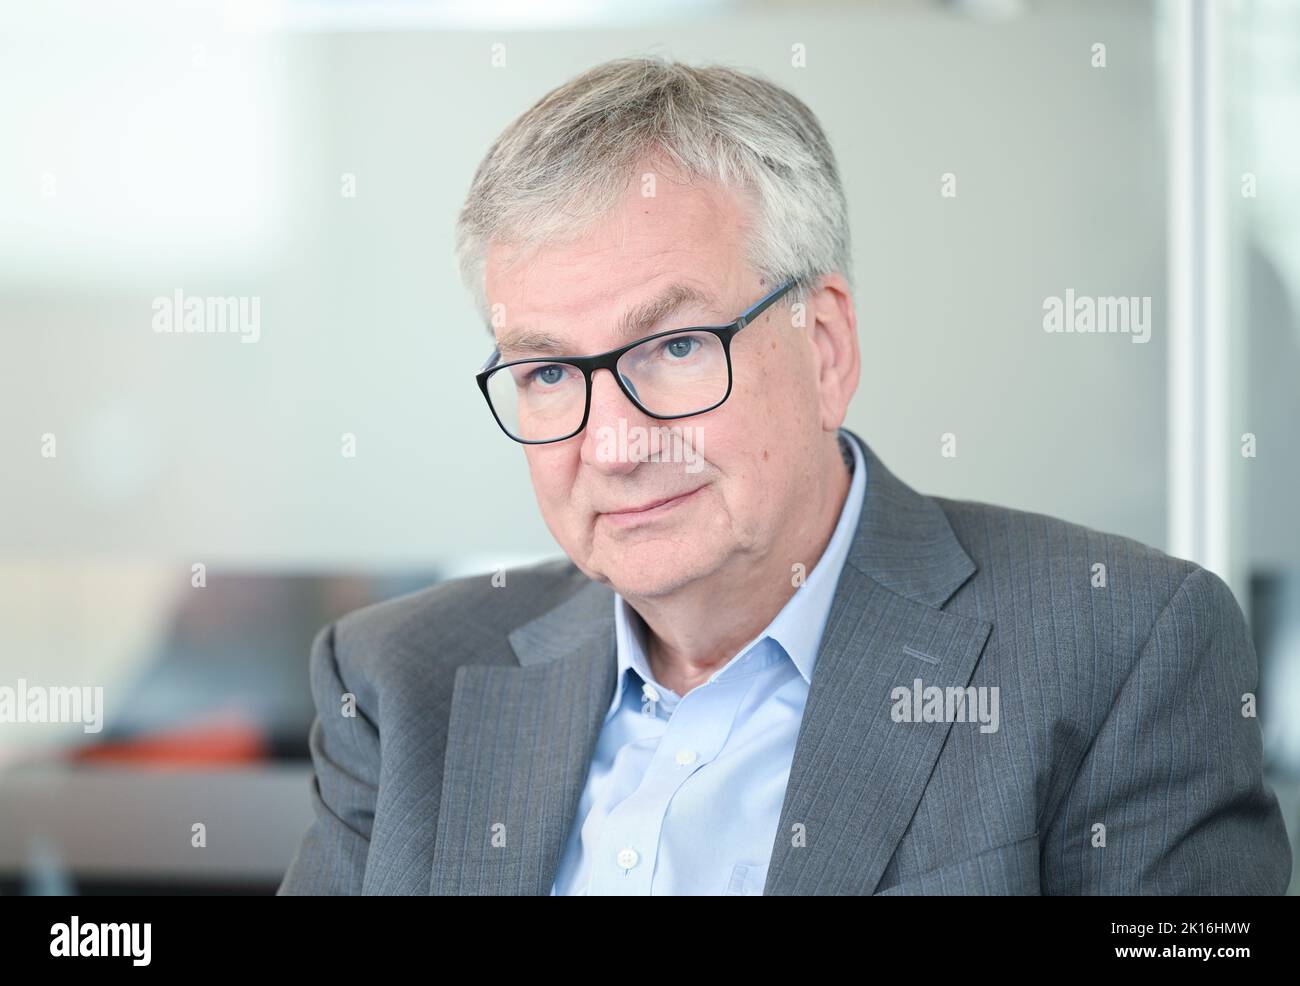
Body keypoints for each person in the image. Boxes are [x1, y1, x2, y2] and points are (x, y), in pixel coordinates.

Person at [279, 56, 1292, 895]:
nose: (617, 441)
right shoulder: (399, 685)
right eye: (548, 372)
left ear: (825, 348)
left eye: (674, 347)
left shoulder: (1118, 648)